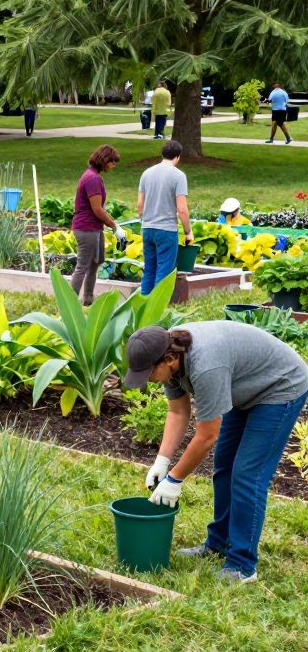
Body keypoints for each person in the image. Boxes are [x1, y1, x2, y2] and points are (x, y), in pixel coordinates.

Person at [124, 322, 308, 583]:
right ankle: (218, 543)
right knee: (224, 467)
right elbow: (177, 412)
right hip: (243, 387)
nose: (148, 379)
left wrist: (175, 480)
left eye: (149, 372)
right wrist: (161, 461)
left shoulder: (205, 364)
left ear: (168, 359)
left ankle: (242, 566)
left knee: (247, 474)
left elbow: (207, 435)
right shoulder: (170, 354)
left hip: (280, 387)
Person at [69, 145, 125, 305]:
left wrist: (113, 224)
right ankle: (69, 304)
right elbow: (97, 209)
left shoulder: (93, 176)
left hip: (94, 228)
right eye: (113, 162)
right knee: (83, 266)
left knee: (95, 263)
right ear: (105, 160)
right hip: (86, 228)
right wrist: (114, 227)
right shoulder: (92, 178)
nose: (113, 166)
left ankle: (88, 299)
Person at [137, 140, 192, 295]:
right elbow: (182, 209)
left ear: (162, 154)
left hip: (147, 228)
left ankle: (144, 306)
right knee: (164, 272)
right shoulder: (179, 176)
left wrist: (146, 219)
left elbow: (140, 206)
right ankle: (157, 311)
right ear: (178, 157)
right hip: (166, 230)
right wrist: (188, 231)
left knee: (149, 269)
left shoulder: (146, 173)